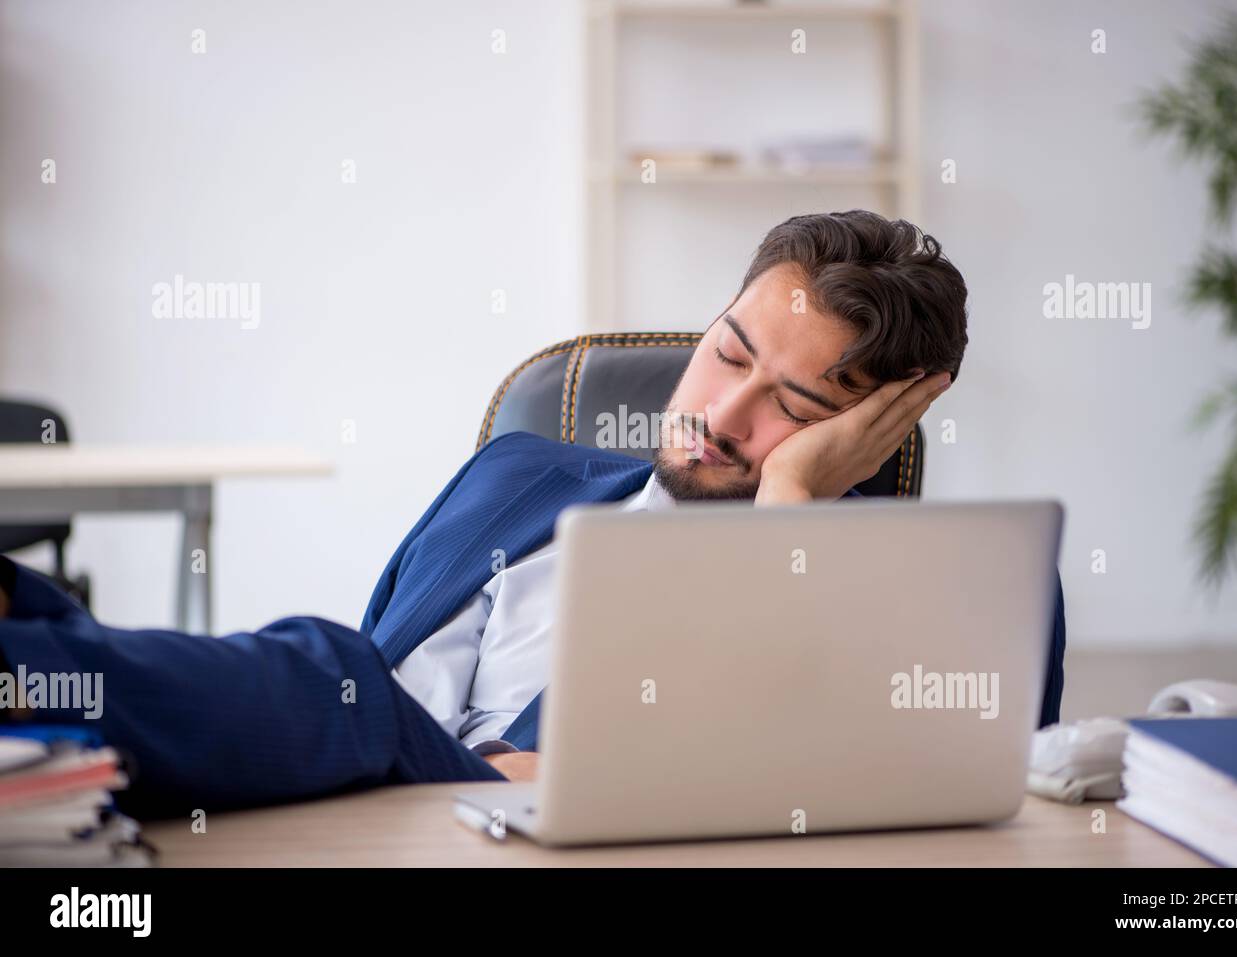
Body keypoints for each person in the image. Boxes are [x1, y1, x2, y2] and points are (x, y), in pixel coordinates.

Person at [0, 210, 1066, 820]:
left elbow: (944, 813)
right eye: (728, 354)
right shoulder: (517, 473)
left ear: (876, 427)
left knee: (326, 675)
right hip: (352, 804)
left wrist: (784, 515)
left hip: (454, 796)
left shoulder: (951, 602)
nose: (724, 414)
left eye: (797, 406)